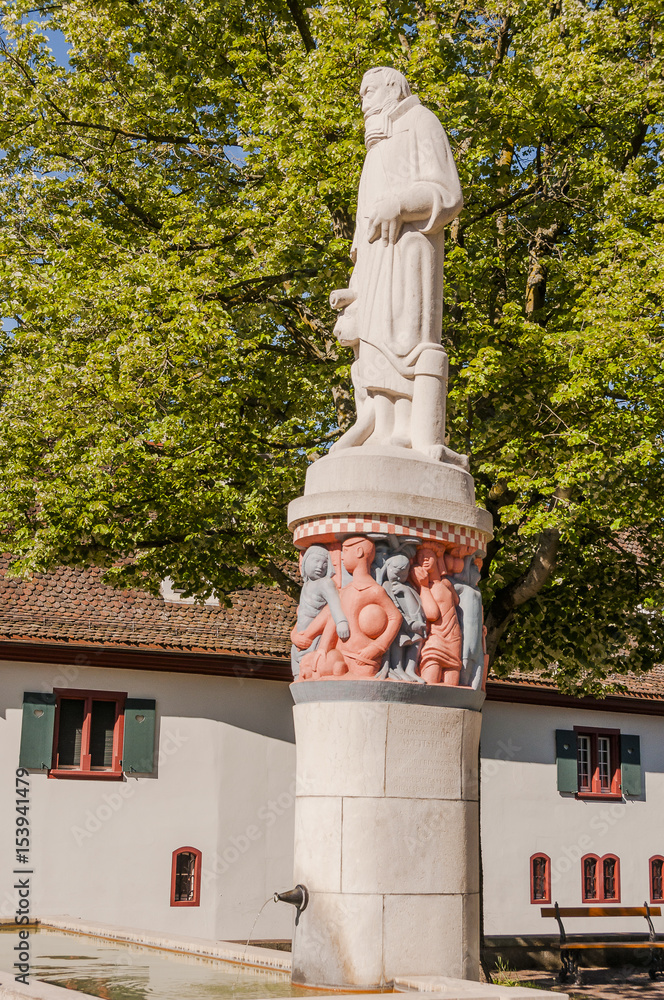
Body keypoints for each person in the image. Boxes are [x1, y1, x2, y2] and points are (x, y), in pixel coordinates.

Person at [330, 66, 467, 467]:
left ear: (392, 88)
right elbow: (362, 233)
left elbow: (448, 193)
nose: (363, 102)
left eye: (369, 91)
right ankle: (378, 425)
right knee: (371, 344)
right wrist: (355, 287)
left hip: (408, 254)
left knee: (407, 339)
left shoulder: (421, 121)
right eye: (361, 94)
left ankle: (408, 431)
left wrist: (401, 204)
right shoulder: (375, 149)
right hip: (375, 266)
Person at [299, 536, 401, 679]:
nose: (342, 557)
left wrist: (378, 647)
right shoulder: (344, 592)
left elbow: (396, 617)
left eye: (345, 551)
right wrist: (320, 647)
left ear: (359, 552)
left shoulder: (374, 590)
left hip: (363, 659)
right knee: (309, 665)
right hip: (339, 655)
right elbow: (330, 618)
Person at [290, 545, 349, 678]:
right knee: (298, 678)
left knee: (310, 676)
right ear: (305, 562)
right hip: (298, 642)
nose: (320, 566)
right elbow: (301, 617)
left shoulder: (325, 583)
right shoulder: (306, 586)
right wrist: (294, 636)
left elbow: (335, 605)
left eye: (324, 563)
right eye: (316, 561)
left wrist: (341, 622)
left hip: (315, 640)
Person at [411, 545, 463, 685]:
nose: (425, 559)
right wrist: (423, 586)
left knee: (452, 686)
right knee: (430, 682)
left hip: (454, 638)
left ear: (437, 557)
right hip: (435, 639)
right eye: (420, 556)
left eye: (429, 554)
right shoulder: (423, 588)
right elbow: (432, 614)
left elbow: (456, 602)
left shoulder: (446, 583)